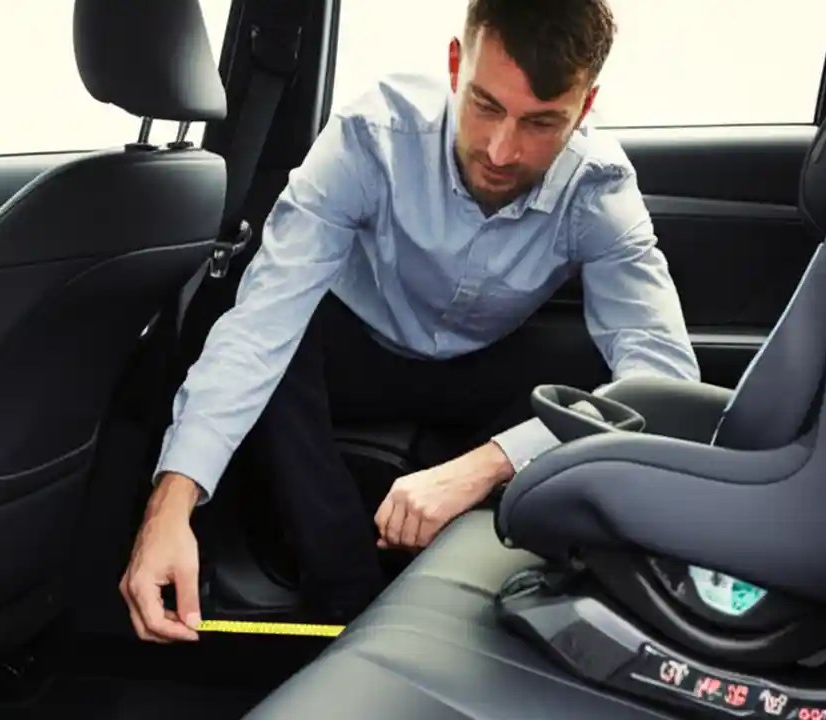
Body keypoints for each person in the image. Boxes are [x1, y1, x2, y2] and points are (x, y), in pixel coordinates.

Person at [119, 0, 700, 644]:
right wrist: (169, 510)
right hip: (351, 350)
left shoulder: (597, 189)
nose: (503, 150)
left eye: (541, 122)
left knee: (601, 382)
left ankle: (473, 577)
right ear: (456, 66)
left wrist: (483, 466)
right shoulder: (372, 137)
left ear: (584, 109)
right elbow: (260, 325)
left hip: (483, 372)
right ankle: (353, 609)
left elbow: (666, 377)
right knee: (267, 327)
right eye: (485, 105)